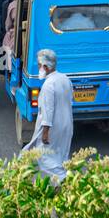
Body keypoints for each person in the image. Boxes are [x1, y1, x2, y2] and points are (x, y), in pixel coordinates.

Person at [23, 48, 74, 182]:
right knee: (61, 156)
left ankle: (64, 181)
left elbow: (48, 110)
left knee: (45, 157)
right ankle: (64, 183)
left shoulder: (48, 85)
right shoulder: (65, 79)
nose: (39, 68)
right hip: (67, 125)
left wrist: (45, 132)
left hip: (52, 128)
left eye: (39, 66)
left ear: (46, 66)